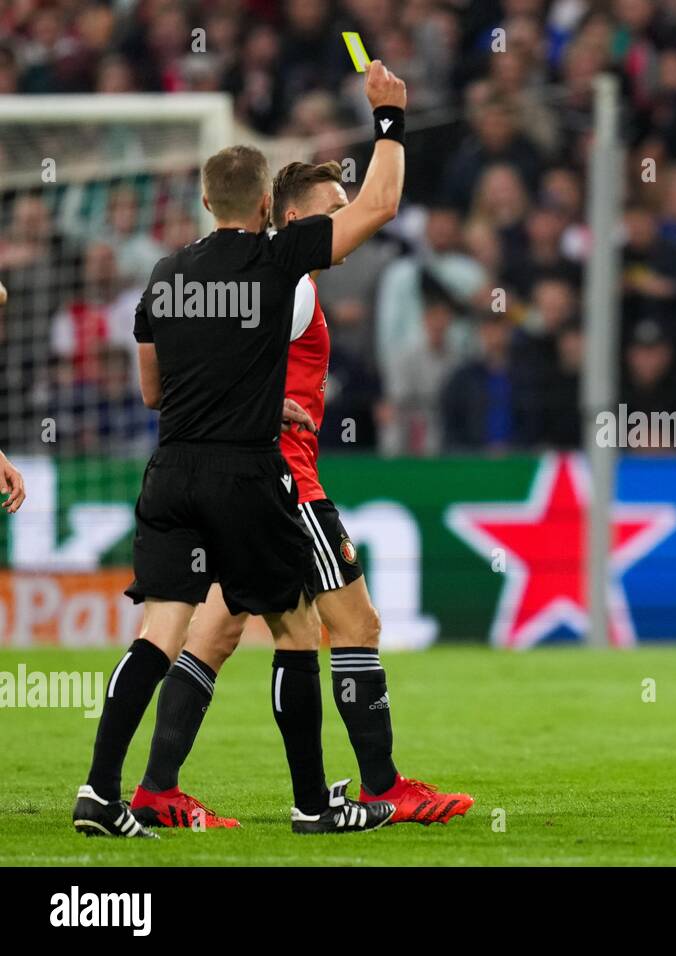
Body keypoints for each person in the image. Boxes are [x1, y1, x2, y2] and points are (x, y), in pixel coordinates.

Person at [72, 60, 409, 838]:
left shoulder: (162, 276)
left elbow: (153, 392)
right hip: (247, 475)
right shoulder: (276, 261)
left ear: (201, 200)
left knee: (162, 633)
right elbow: (382, 203)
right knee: (295, 632)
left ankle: (100, 790)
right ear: (265, 206)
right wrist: (388, 117)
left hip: (168, 475)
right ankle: (313, 805)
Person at [128, 159, 473, 830]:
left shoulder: (270, 282)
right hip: (283, 482)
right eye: (330, 207)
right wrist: (390, 122)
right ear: (289, 217)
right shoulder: (291, 286)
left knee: (217, 632)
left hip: (229, 476)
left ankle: (155, 788)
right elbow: (381, 204)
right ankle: (378, 788)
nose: (343, 218)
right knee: (355, 626)